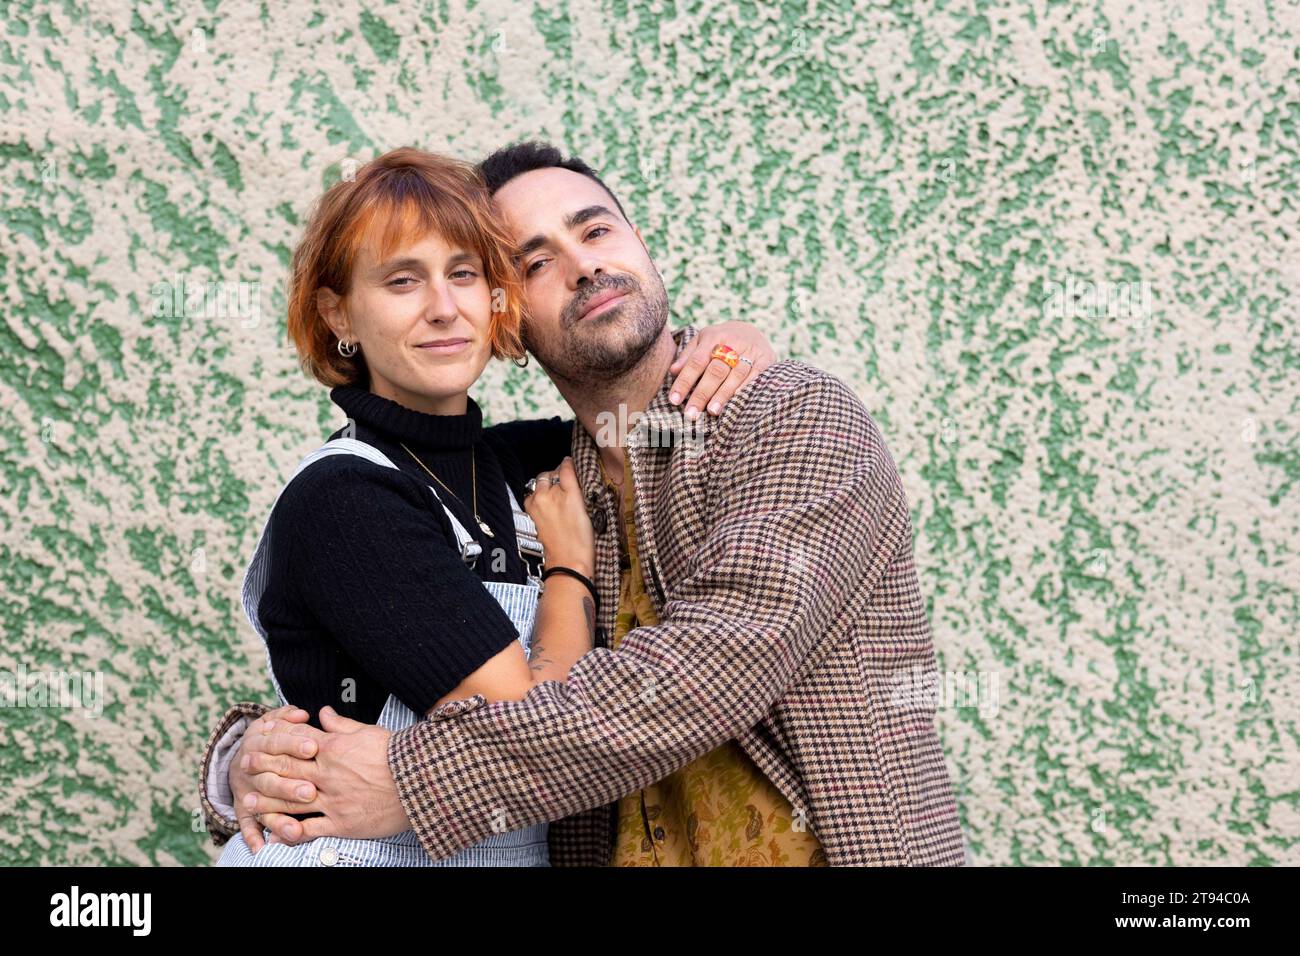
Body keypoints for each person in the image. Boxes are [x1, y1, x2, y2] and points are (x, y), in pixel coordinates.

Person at [202, 142, 967, 866]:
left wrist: (410, 779)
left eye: (595, 228)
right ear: (508, 310)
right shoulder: (533, 473)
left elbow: (718, 667)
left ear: (637, 240)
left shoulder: (792, 416)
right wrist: (255, 754)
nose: (584, 265)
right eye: (536, 261)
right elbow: (380, 635)